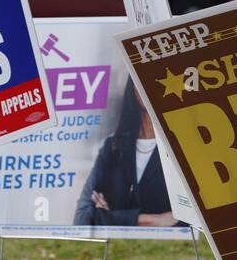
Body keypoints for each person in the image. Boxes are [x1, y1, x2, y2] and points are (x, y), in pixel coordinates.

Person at [74, 83, 177, 228]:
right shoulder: (112, 147)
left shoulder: (181, 146)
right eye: (139, 79)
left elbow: (190, 221)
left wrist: (110, 217)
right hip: (118, 248)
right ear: (132, 86)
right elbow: (83, 217)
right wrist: (152, 220)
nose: (148, 86)